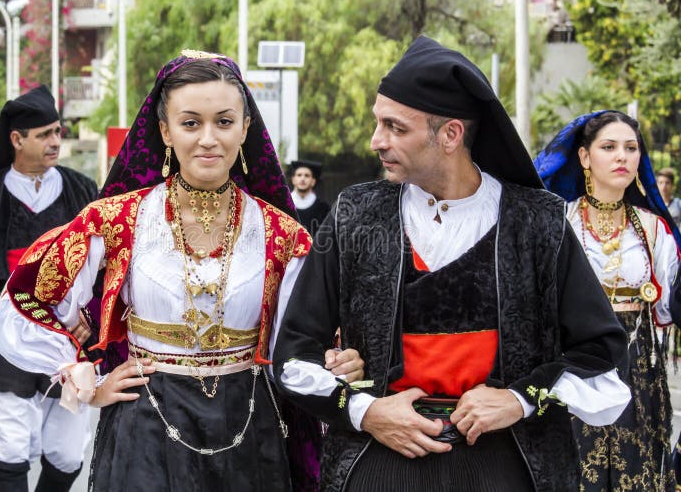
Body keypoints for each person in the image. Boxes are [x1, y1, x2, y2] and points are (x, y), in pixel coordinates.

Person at [0, 51, 363, 491]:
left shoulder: (282, 235)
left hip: (249, 426)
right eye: (190, 123)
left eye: (224, 122)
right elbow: (26, 297)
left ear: (245, 128)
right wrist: (87, 382)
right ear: (165, 131)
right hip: (144, 424)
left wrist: (335, 358)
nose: (208, 139)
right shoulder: (116, 220)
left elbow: (304, 338)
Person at [273, 36, 631, 492]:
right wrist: (367, 410)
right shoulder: (354, 214)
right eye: (377, 123)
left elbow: (599, 349)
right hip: (379, 456)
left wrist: (518, 399)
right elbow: (294, 353)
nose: (376, 141)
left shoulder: (538, 221)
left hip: (506, 459)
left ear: (450, 135)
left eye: (394, 127)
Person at [0, 84, 98, 492]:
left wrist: (92, 316)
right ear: (16, 139)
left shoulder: (82, 190)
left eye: (58, 132)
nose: (55, 141)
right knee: (9, 449)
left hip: (66, 343)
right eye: (44, 134)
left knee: (67, 454)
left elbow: (107, 264)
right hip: (4, 343)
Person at [535, 110, 681, 491]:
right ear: (584, 157)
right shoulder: (559, 221)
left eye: (631, 148)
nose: (622, 157)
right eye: (609, 147)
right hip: (573, 364)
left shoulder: (654, 229)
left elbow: (669, 307)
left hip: (637, 371)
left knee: (637, 471)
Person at [289, 159, 330, 235]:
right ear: (293, 180)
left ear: (313, 181)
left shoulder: (323, 208)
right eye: (299, 175)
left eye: (307, 176)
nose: (302, 179)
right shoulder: (283, 206)